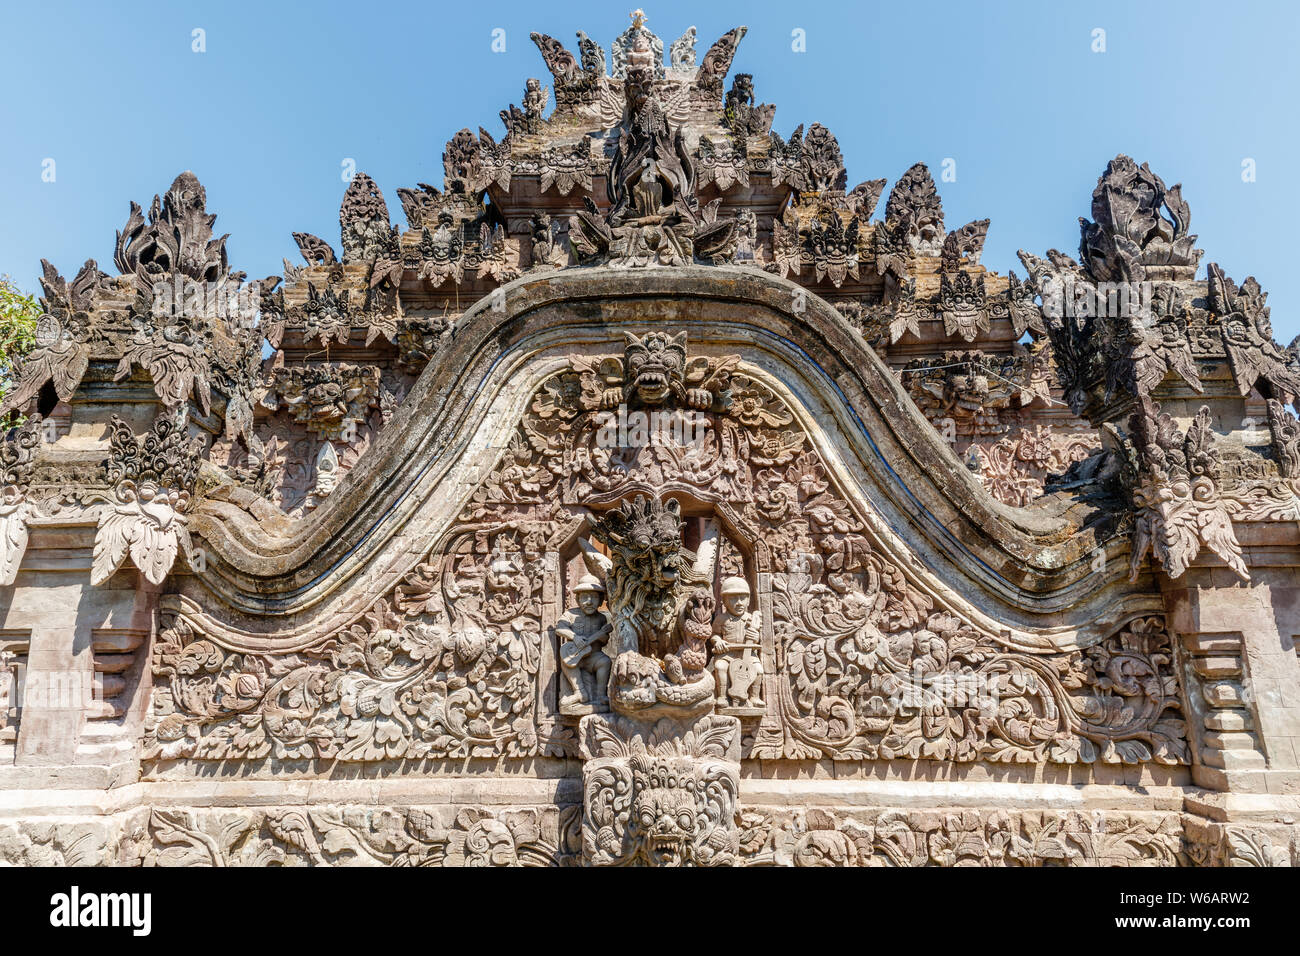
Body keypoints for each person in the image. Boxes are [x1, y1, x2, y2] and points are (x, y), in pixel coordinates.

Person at [557, 575, 612, 711]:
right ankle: (579, 691)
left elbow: (604, 641)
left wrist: (600, 635)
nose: (589, 602)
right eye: (584, 597)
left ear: (600, 601)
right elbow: (560, 628)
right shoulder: (571, 614)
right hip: (577, 659)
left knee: (605, 661)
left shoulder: (601, 618)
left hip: (593, 657)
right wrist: (574, 637)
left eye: (594, 597)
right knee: (566, 659)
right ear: (577, 599)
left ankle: (600, 695)